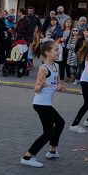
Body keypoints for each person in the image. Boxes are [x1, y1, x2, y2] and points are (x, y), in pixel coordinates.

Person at [20, 40, 65, 168]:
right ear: (47, 53)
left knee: (60, 123)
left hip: (47, 103)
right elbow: (36, 89)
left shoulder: (56, 66)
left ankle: (52, 150)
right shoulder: (43, 68)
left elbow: (57, 83)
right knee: (48, 132)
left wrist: (59, 86)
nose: (58, 51)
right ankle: (27, 157)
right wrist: (41, 86)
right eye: (56, 50)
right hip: (40, 103)